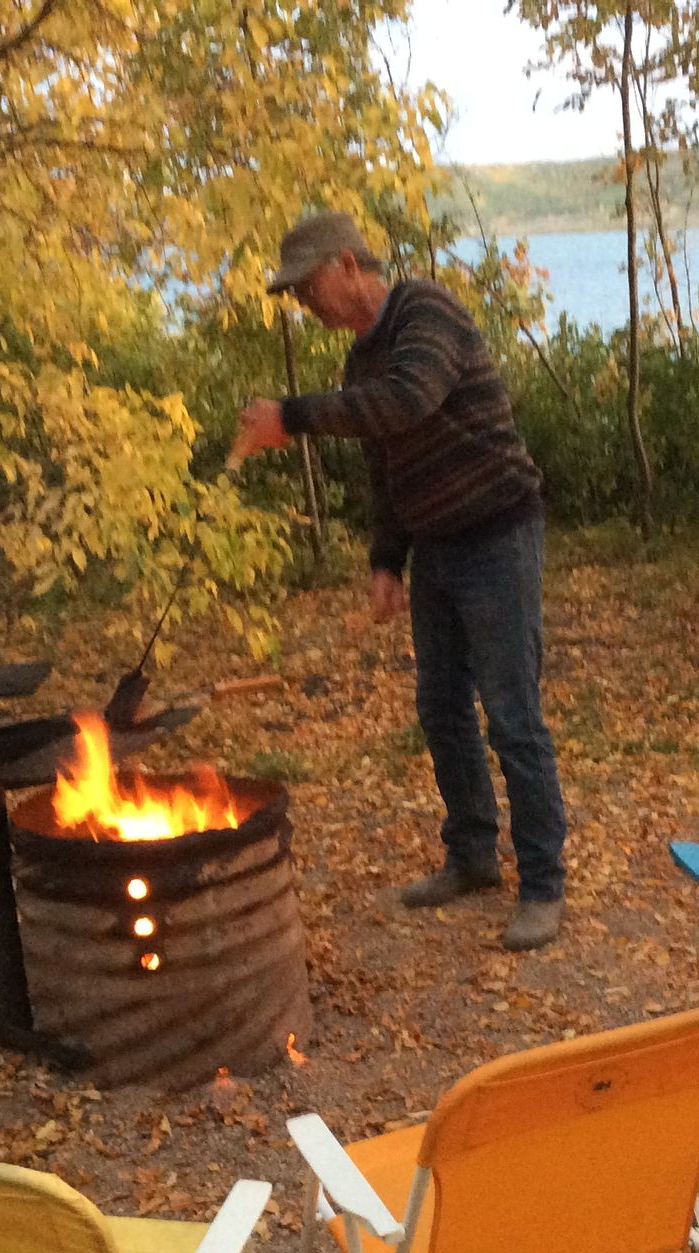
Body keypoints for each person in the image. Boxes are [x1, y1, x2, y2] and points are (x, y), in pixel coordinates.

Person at [236, 210, 566, 952]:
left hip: (499, 531)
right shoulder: (360, 360)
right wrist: (387, 558)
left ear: (349, 265)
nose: (303, 303)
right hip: (439, 548)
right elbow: (385, 463)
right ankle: (473, 856)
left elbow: (408, 399)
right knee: (441, 707)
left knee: (512, 713)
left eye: (307, 285)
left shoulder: (426, 311)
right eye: (291, 294)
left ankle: (543, 884)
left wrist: (291, 416)